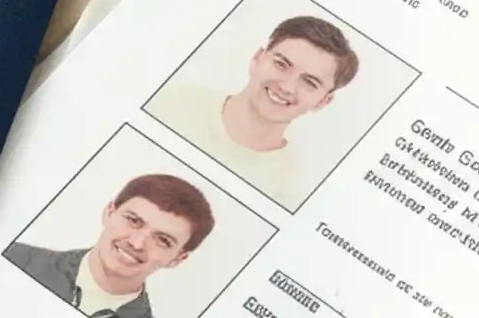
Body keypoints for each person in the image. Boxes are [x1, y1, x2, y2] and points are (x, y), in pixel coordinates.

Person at [147, 15, 359, 208]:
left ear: (323, 101)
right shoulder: (170, 103)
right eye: (281, 65)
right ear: (258, 58)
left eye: (309, 82)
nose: (286, 86)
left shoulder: (291, 191)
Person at [4, 174, 214, 318]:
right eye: (134, 221)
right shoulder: (17, 258)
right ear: (109, 212)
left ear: (178, 259)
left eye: (162, 240)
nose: (137, 243)